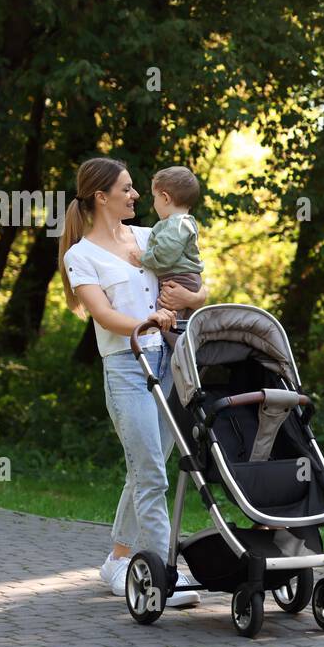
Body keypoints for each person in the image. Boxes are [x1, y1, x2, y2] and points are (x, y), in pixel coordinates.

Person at [57, 157, 208, 605]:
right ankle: (164, 570)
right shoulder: (79, 255)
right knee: (150, 475)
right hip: (127, 366)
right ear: (101, 197)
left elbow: (199, 285)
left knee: (147, 470)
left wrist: (191, 297)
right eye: (126, 189)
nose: (136, 195)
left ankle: (118, 558)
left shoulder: (149, 237)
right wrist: (149, 319)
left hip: (169, 362)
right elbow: (103, 316)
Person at [141, 166, 205, 349]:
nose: (153, 203)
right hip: (185, 280)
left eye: (155, 198)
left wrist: (143, 258)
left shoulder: (177, 224)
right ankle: (189, 353)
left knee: (167, 323)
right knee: (181, 323)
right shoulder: (178, 223)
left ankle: (186, 356)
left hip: (179, 279)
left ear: (166, 198)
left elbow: (165, 254)